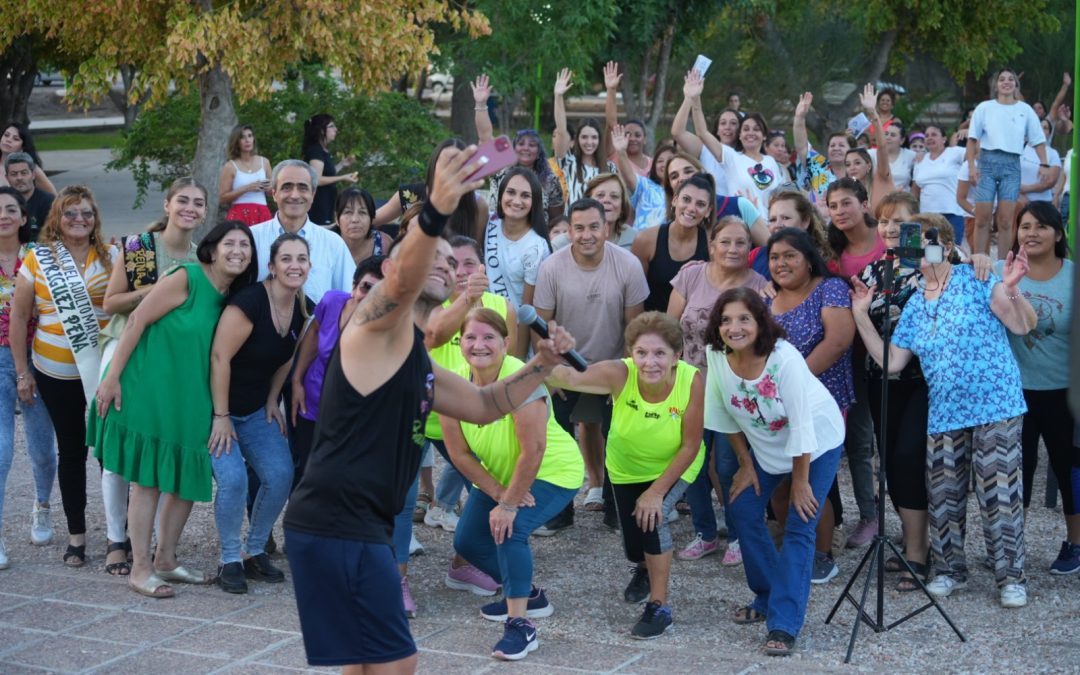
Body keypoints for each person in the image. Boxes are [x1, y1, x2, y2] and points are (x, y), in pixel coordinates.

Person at [282, 143, 578, 672]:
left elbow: (486, 405)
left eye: (454, 261)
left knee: (366, 662)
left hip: (357, 524)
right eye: (435, 257)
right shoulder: (371, 326)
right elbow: (399, 280)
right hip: (334, 521)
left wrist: (541, 364)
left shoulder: (415, 358)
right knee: (396, 663)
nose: (446, 265)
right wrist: (439, 206)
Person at [850, 215, 1037, 608]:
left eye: (927, 243)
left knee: (998, 493)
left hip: (995, 404)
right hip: (946, 410)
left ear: (947, 248)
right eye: (911, 244)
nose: (918, 251)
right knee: (944, 494)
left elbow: (1023, 326)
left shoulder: (977, 279)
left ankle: (1011, 577)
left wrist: (1013, 290)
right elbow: (892, 362)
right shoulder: (915, 303)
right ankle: (950, 569)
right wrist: (861, 315)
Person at [88, 221, 256, 598]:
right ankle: (141, 568)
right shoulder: (187, 277)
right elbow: (136, 320)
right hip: (150, 389)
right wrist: (112, 378)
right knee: (147, 481)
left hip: (192, 398)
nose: (238, 251)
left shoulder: (233, 297)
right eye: (230, 243)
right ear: (211, 248)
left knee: (183, 482)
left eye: (245, 246)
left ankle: (166, 560)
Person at [704, 288, 844, 657]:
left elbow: (801, 425)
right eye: (726, 320)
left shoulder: (784, 358)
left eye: (744, 318)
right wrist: (745, 464)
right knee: (744, 508)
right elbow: (721, 413)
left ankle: (784, 623)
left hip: (817, 441)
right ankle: (766, 594)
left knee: (800, 523)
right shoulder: (716, 355)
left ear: (760, 321)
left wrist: (799, 483)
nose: (734, 327)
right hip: (767, 449)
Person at [548, 311, 704, 639]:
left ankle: (660, 608)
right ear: (630, 354)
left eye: (660, 353)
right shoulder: (619, 373)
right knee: (635, 546)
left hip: (675, 465)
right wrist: (548, 353)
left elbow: (691, 446)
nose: (650, 362)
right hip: (624, 467)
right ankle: (644, 568)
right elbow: (567, 377)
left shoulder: (691, 380)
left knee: (653, 521)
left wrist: (657, 492)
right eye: (642, 353)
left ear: (677, 356)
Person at [441, 308, 583, 660]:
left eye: (489, 337)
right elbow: (459, 455)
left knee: (510, 527)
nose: (479, 345)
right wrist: (499, 493)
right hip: (502, 475)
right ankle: (528, 594)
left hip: (552, 470)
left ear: (506, 342)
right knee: (469, 540)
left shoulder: (521, 380)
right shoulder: (454, 385)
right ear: (460, 343)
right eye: (471, 337)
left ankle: (521, 626)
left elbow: (533, 450)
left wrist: (508, 505)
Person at [97, 176, 205, 576]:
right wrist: (157, 291)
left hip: (168, 360)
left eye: (197, 203)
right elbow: (111, 304)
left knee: (158, 451)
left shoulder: (199, 260)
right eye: (182, 201)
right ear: (167, 205)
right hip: (126, 345)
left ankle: (158, 549)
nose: (189, 208)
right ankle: (115, 539)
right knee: (118, 458)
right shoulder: (141, 249)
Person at [9, 185, 119, 568]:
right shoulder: (38, 259)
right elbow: (21, 317)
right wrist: (23, 373)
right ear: (57, 217)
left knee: (109, 454)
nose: (79, 220)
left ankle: (117, 537)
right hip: (54, 372)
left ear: (96, 219)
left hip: (104, 372)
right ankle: (77, 537)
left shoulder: (112, 256)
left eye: (86, 213)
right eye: (71, 213)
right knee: (72, 452)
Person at [533, 197, 650, 532]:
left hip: (613, 366)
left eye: (594, 227)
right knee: (557, 438)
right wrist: (548, 373)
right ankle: (560, 509)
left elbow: (634, 329)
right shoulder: (552, 267)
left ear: (607, 228)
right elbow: (542, 326)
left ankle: (617, 505)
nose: (587, 235)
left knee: (620, 438)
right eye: (579, 227)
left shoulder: (627, 265)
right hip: (564, 367)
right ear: (568, 231)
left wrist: (629, 376)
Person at [208, 233, 313, 594]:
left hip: (254, 410)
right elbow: (219, 357)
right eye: (286, 259)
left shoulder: (302, 307)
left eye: (301, 259)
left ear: (309, 266)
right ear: (271, 266)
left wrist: (272, 400)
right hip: (215, 410)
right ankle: (229, 559)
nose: (294, 265)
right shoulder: (250, 302)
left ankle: (254, 551)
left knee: (281, 473)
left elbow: (287, 357)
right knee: (234, 480)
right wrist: (220, 416)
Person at [668, 216, 767, 566]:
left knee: (728, 465)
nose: (733, 249)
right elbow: (670, 329)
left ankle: (738, 535)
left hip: (731, 389)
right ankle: (705, 533)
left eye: (740, 242)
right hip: (690, 385)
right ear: (711, 245)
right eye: (725, 241)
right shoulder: (691, 275)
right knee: (691, 462)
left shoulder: (759, 285)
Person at [852, 196, 934, 591]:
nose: (888, 229)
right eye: (883, 221)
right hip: (880, 380)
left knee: (907, 459)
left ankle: (919, 553)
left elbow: (965, 264)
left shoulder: (932, 266)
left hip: (922, 381)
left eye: (899, 222)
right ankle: (912, 539)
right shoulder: (873, 271)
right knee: (890, 463)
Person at [764, 227, 854, 583]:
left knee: (814, 485)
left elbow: (838, 342)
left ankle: (821, 554)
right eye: (774, 257)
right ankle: (794, 546)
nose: (781, 263)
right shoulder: (766, 300)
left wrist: (792, 384)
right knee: (781, 483)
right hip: (774, 407)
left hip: (821, 402)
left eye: (789, 256)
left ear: (808, 259)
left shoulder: (829, 289)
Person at [995, 202, 1078, 574]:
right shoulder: (1002, 272)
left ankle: (1075, 544)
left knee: (1068, 468)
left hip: (1065, 391)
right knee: (1016, 472)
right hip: (1015, 392)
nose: (1031, 233)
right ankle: (1014, 548)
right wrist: (979, 261)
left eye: (1041, 226)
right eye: (1025, 226)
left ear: (1058, 234)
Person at [823, 177, 882, 550]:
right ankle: (868, 516)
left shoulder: (887, 240)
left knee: (894, 443)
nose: (840, 211)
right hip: (849, 357)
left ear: (864, 203)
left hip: (893, 355)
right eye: (833, 206)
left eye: (847, 203)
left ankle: (914, 523)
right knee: (857, 443)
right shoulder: (831, 252)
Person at [290, 255, 383, 488]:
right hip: (311, 404)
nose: (370, 297)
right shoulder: (332, 302)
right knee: (305, 473)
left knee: (336, 478)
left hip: (348, 417)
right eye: (366, 287)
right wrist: (297, 381)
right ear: (353, 286)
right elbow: (313, 334)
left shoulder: (387, 328)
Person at [0, 187, 56, 569]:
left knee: (41, 449)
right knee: (1, 452)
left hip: (39, 359)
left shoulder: (40, 258)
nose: (3, 215)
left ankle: (42, 504)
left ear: (23, 217)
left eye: (10, 209)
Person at [966, 68, 1050, 258]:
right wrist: (972, 166)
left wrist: (1044, 164)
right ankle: (980, 260)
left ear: (1015, 85)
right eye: (1002, 79)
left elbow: (1038, 139)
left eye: (1010, 79)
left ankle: (1004, 265)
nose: (1006, 82)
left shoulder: (1025, 109)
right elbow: (972, 139)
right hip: (987, 164)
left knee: (1006, 220)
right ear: (996, 85)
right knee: (982, 218)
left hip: (1012, 165)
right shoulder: (984, 107)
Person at [250, 159, 355, 303]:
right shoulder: (251, 239)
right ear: (274, 193)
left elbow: (350, 297)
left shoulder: (333, 243)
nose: (294, 195)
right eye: (286, 187)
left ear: (313, 194)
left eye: (303, 188)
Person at [674, 70, 784, 205]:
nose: (728, 127)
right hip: (722, 217)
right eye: (723, 123)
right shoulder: (729, 156)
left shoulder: (769, 161)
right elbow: (697, 132)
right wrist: (692, 98)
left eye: (734, 124)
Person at [473, 75, 564, 223]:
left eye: (532, 145)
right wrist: (481, 104)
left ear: (539, 152)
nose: (526, 148)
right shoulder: (500, 170)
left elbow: (557, 218)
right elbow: (485, 138)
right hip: (498, 237)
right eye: (521, 143)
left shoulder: (549, 179)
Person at [482, 166, 551, 347]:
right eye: (510, 192)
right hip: (480, 326)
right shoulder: (488, 222)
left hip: (511, 334)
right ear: (501, 195)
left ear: (534, 202)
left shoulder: (536, 247)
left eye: (525, 196)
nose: (516, 201)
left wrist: (517, 358)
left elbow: (527, 310)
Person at [631, 173, 716, 312]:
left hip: (693, 326)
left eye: (700, 204)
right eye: (686, 200)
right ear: (675, 200)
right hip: (653, 325)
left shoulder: (711, 244)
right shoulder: (645, 240)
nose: (691, 208)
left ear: (708, 211)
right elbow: (634, 295)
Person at [373, 138, 487, 240]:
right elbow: (371, 220)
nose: (451, 167)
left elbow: (475, 250)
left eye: (458, 162)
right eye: (446, 161)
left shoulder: (477, 204)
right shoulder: (410, 194)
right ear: (434, 164)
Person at [552, 68, 616, 209]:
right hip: (573, 226)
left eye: (594, 137)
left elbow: (611, 125)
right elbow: (562, 131)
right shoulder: (568, 162)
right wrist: (558, 96)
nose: (589, 142)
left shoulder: (609, 167)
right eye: (584, 137)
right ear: (576, 140)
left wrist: (611, 90)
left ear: (599, 140)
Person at [749, 190, 831, 279]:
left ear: (805, 222)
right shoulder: (756, 255)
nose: (778, 225)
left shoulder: (827, 261)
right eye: (772, 220)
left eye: (785, 218)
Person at [793, 92, 853, 207]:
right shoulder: (818, 166)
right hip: (819, 222)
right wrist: (799, 118)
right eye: (832, 145)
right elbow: (802, 146)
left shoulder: (857, 173)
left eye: (841, 145)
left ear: (851, 150)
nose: (836, 148)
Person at [912, 124, 967, 244]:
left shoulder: (954, 152)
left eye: (934, 135)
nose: (929, 138)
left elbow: (977, 154)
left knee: (952, 253)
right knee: (927, 254)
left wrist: (970, 133)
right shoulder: (920, 160)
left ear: (944, 139)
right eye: (926, 136)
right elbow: (915, 191)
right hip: (926, 217)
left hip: (951, 213)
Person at [302, 113, 358, 226]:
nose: (336, 129)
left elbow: (326, 174)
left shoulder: (323, 151)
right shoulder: (316, 151)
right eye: (332, 126)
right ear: (322, 131)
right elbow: (316, 179)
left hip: (327, 203)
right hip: (318, 205)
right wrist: (343, 178)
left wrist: (342, 164)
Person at [603, 62, 652, 177]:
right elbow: (611, 124)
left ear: (645, 139)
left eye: (637, 135)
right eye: (627, 134)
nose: (632, 139)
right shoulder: (614, 156)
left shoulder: (654, 165)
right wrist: (611, 89)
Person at [218, 124, 273, 226]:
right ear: (236, 141)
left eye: (250, 136)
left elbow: (273, 193)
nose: (247, 140)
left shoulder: (264, 162)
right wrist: (246, 188)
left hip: (262, 212)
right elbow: (222, 198)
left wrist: (270, 188)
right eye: (242, 137)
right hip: (239, 213)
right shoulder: (230, 166)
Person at [329, 187, 391, 265]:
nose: (355, 219)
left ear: (372, 218)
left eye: (362, 212)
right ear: (337, 219)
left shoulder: (384, 244)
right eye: (348, 212)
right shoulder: (325, 245)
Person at [4, 152, 53, 241]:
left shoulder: (49, 201)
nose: (19, 178)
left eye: (24, 173)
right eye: (14, 174)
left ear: (33, 175)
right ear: (7, 178)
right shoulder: (2, 201)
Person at [0, 124, 56, 195]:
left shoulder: (32, 169)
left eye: (16, 139)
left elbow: (54, 198)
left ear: (22, 147)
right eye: (6, 135)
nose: (8, 140)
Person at [584, 173, 634, 249]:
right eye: (600, 195)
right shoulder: (564, 242)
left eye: (614, 196)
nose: (607, 200)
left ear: (622, 207)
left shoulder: (635, 240)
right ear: (587, 201)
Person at [1018, 119, 1062, 205]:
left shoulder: (1053, 153)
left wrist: (1025, 188)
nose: (1041, 130)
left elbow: (1050, 181)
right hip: (1018, 201)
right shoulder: (1019, 148)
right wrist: (1019, 194)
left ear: (1049, 133)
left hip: (1042, 203)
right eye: (1038, 126)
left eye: (1045, 128)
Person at [872, 121, 916, 191]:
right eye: (886, 134)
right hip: (879, 199)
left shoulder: (910, 155)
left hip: (903, 199)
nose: (888, 137)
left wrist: (921, 154)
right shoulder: (872, 153)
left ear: (902, 140)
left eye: (893, 135)